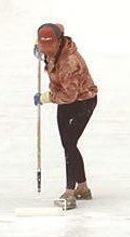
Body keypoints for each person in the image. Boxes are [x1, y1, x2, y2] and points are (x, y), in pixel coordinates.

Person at [33, 22, 98, 205]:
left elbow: (70, 95)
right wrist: (43, 55)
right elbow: (55, 28)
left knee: (70, 144)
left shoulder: (70, 62)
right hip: (64, 101)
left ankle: (70, 192)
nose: (47, 51)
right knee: (67, 144)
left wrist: (47, 97)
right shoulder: (50, 47)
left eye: (50, 48)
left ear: (59, 42)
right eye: (43, 47)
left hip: (82, 101)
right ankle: (83, 188)